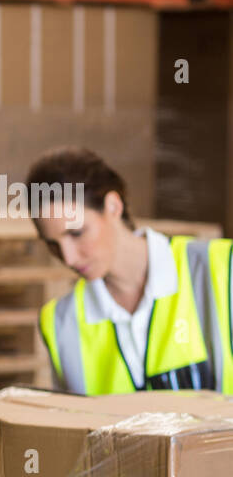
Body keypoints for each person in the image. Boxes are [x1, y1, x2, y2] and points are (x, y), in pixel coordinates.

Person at [29, 147, 233, 394]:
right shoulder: (61, 322)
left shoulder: (222, 269)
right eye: (53, 244)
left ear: (113, 206)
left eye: (77, 233)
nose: (68, 258)